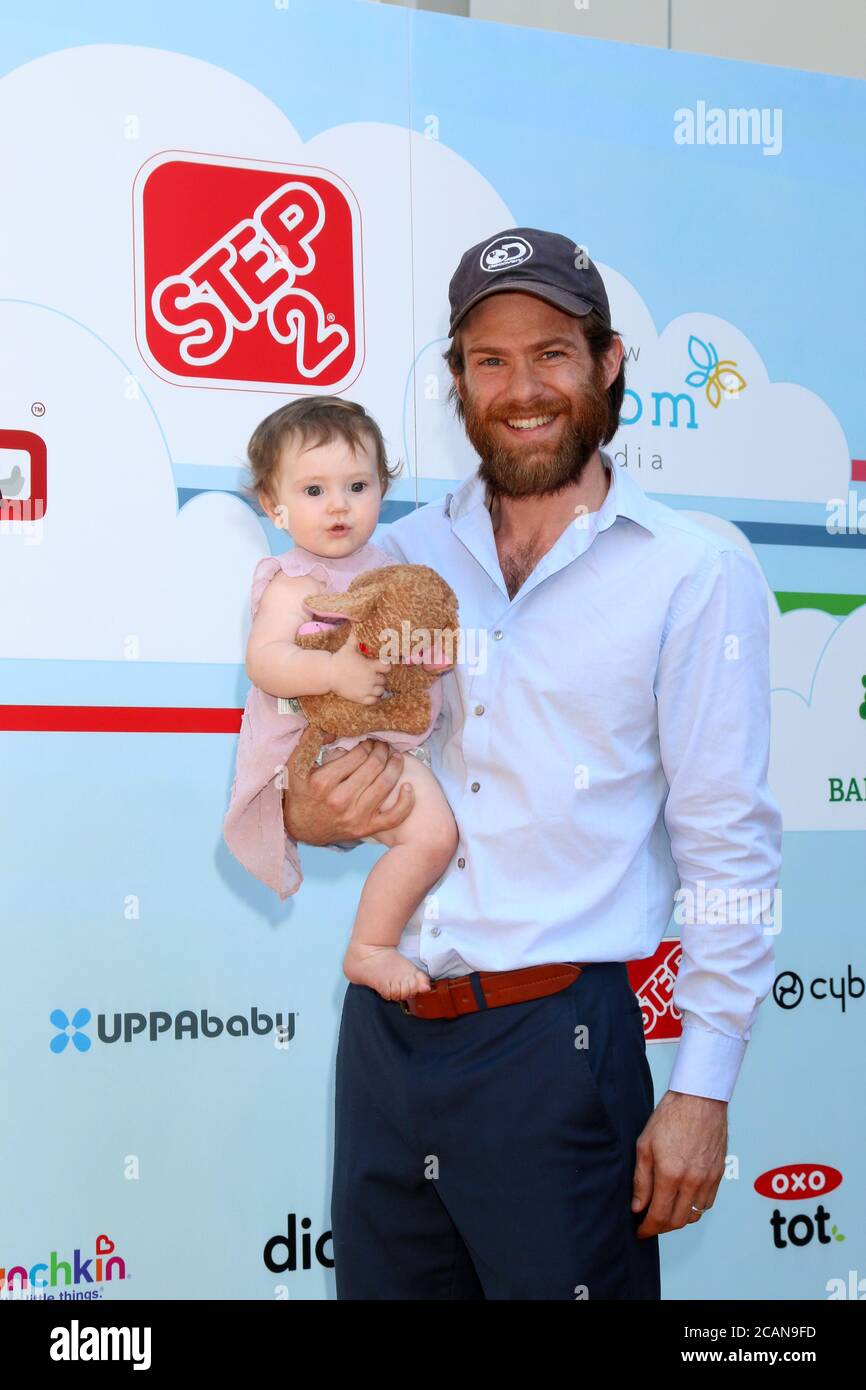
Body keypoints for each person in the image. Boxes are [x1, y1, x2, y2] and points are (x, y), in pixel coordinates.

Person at [281, 228, 783, 1300]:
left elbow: (727, 843)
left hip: (554, 1047)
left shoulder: (691, 572)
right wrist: (317, 811)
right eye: (489, 360)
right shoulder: (394, 556)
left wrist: (702, 1086)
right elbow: (307, 781)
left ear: (606, 365)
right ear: (457, 379)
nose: (521, 388)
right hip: (385, 1040)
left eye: (551, 352)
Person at [222, 396, 458, 1002]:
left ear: (382, 487)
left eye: (357, 485)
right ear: (273, 506)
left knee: (432, 837)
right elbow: (267, 661)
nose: (339, 506)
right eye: (313, 491)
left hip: (378, 735)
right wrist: (332, 670)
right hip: (317, 742)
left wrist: (428, 653)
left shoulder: (393, 569)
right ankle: (370, 947)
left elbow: (406, 645)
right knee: (433, 835)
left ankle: (377, 942)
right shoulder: (292, 579)